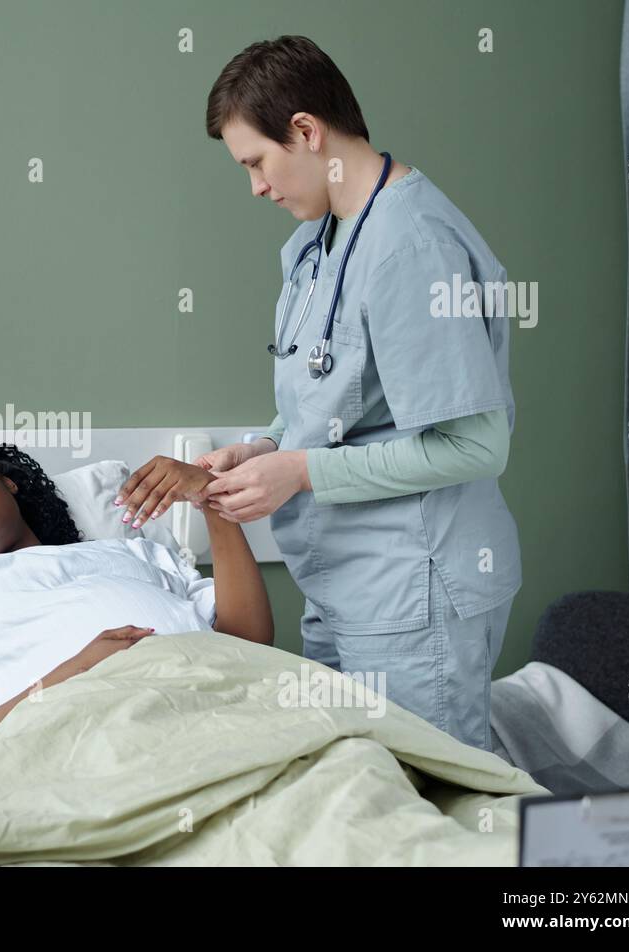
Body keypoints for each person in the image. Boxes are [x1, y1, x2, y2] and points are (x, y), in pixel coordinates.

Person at [116, 36, 522, 752]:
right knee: (350, 800)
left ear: (306, 131)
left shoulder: (412, 246)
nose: (257, 187)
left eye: (256, 163)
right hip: (343, 587)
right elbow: (335, 394)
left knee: (424, 821)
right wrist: (267, 445)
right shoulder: (317, 242)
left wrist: (298, 472)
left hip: (412, 594)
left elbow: (477, 443)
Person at [0, 437, 272, 756]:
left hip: (231, 713)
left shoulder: (133, 552)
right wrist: (75, 673)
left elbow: (249, 640)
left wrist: (210, 497)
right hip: (100, 741)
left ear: (8, 483)